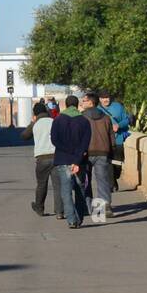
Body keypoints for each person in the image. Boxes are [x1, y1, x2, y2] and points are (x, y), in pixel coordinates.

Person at [49, 94, 91, 228]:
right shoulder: (84, 121)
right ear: (77, 104)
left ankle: (72, 220)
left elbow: (54, 140)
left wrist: (68, 152)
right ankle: (79, 217)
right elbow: (85, 143)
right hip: (79, 161)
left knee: (65, 191)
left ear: (65, 105)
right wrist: (76, 158)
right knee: (80, 190)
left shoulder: (58, 120)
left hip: (63, 160)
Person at [21, 101, 61, 217]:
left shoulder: (35, 124)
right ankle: (59, 211)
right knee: (57, 185)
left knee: (41, 184)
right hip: (56, 156)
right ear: (46, 111)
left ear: (35, 113)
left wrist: (32, 122)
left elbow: (24, 136)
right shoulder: (54, 121)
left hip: (42, 158)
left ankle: (39, 208)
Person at [81, 92, 116, 219]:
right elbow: (111, 137)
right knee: (102, 181)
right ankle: (105, 206)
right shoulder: (106, 118)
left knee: (86, 180)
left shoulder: (82, 117)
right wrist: (111, 152)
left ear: (91, 102)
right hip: (103, 152)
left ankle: (88, 207)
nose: (82, 103)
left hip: (86, 153)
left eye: (84, 101)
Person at [99, 91, 131, 185]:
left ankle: (115, 177)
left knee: (118, 164)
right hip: (105, 141)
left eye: (107, 97)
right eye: (103, 98)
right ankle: (112, 183)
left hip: (118, 140)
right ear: (100, 99)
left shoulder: (118, 107)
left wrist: (118, 125)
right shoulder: (97, 109)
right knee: (108, 163)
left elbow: (126, 120)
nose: (106, 100)